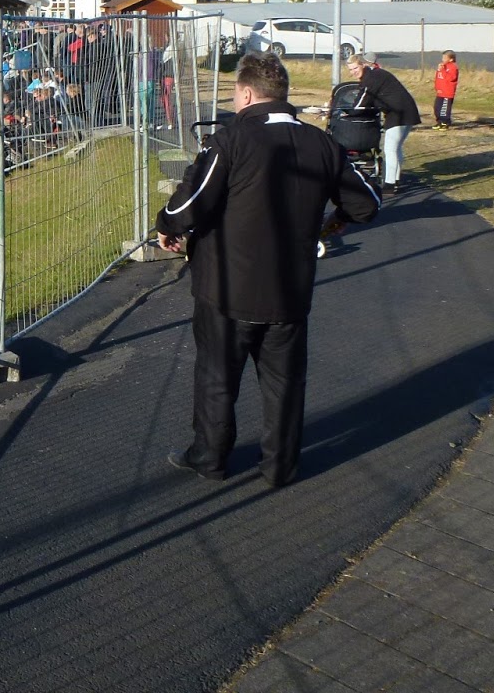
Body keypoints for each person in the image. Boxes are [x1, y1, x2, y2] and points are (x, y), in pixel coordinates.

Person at [156, 53, 379, 487]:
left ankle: (210, 457)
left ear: (245, 93)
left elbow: (190, 203)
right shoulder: (322, 144)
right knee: (284, 382)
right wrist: (338, 219)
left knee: (217, 376)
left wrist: (167, 226)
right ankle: (280, 466)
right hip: (289, 290)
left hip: (227, 287)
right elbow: (366, 202)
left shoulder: (231, 140)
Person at [345, 52, 421, 194]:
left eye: (355, 68)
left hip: (399, 113)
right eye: (350, 69)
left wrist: (348, 113)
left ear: (363, 65)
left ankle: (389, 185)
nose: (353, 72)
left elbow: (362, 101)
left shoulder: (370, 78)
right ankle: (395, 180)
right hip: (406, 111)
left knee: (390, 149)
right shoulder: (374, 74)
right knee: (396, 148)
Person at [433, 50, 459, 131]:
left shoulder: (453, 67)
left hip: (447, 92)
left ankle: (445, 123)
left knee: (444, 109)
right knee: (437, 108)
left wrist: (443, 70)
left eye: (445, 58)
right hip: (440, 92)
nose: (443, 59)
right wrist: (437, 88)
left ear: (451, 59)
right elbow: (438, 78)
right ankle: (440, 122)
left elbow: (451, 78)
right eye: (442, 57)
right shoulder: (442, 66)